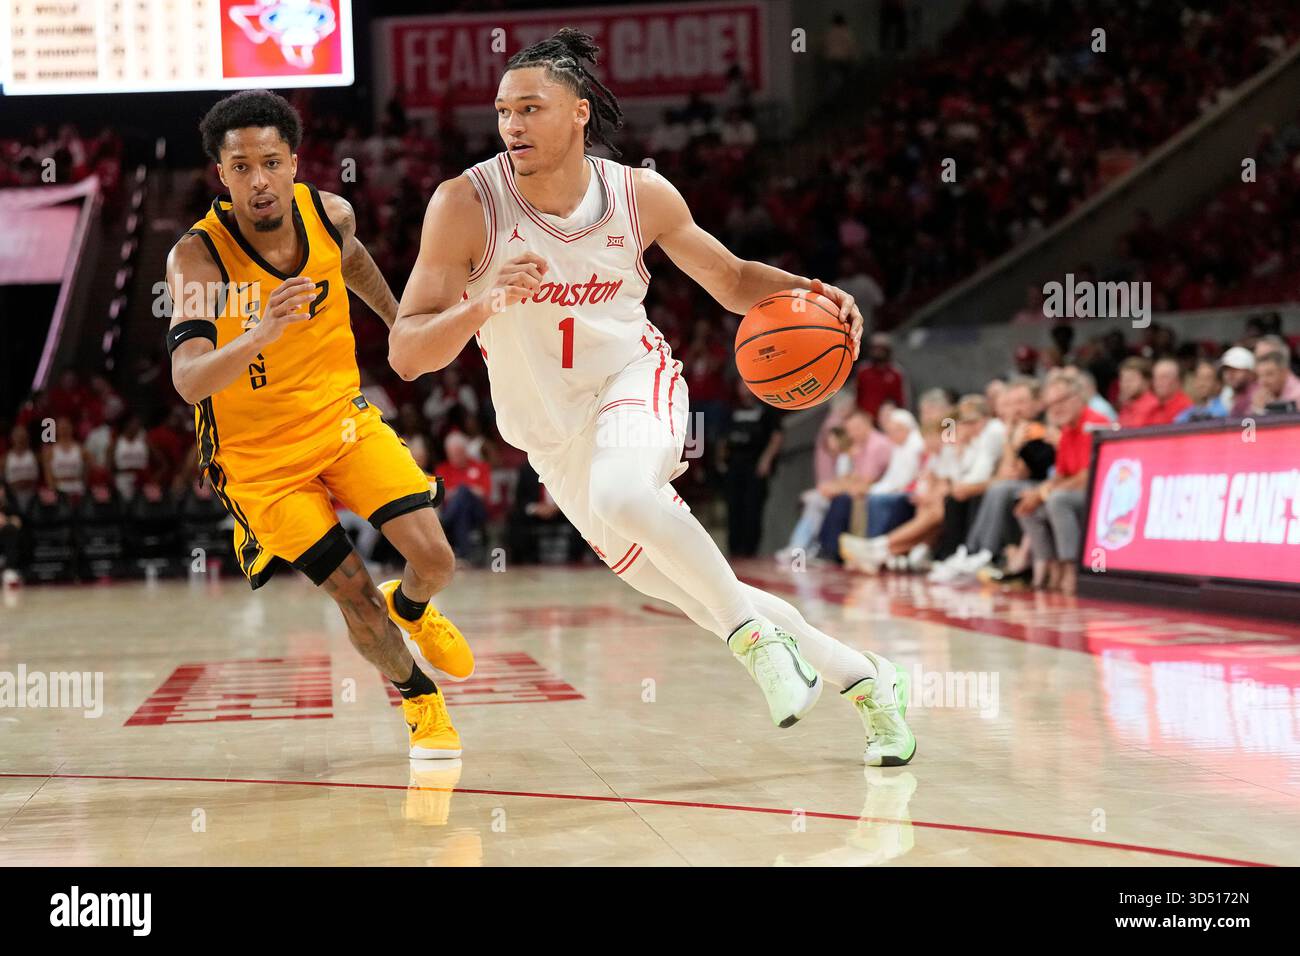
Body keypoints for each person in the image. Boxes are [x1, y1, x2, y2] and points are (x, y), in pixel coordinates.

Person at [388, 29, 914, 766]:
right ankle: (868, 683)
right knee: (698, 594)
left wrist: (809, 291)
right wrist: (481, 304)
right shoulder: (465, 204)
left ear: (578, 112)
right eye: (504, 111)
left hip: (633, 380)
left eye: (531, 109)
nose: (512, 125)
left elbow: (729, 281)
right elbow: (407, 353)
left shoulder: (640, 195)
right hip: (551, 436)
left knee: (628, 493)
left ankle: (758, 648)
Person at [164, 90, 470, 760]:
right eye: (240, 166)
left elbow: (351, 260)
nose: (258, 179)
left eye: (270, 162)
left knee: (436, 558)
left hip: (340, 421)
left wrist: (400, 326)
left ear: (294, 163)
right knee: (355, 596)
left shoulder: (331, 214)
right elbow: (188, 380)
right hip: (258, 463)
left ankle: (414, 607)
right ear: (222, 174)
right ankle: (420, 698)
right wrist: (260, 332)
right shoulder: (198, 260)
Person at [1015, 369, 1111, 594]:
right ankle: (1047, 566)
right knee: (1026, 505)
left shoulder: (1095, 424)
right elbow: (1061, 473)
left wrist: (1045, 493)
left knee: (1057, 500)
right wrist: (1038, 493)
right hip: (1074, 491)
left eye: (1061, 401)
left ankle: (1071, 567)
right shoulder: (1067, 430)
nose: (1056, 408)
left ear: (1077, 398)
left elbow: (1090, 475)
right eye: (1050, 404)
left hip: (1099, 494)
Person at [720, 378, 783, 557]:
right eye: (742, 384)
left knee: (752, 509)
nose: (745, 389)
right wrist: (722, 459)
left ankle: (749, 551)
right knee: (733, 507)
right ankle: (734, 551)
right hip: (734, 465)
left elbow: (776, 436)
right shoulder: (732, 409)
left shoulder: (767, 408)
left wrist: (766, 460)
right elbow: (724, 437)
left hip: (755, 465)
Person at [434, 431, 492, 559]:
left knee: (463, 493)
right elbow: (441, 496)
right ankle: (465, 554)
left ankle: (445, 524)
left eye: (458, 452)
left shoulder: (480, 466)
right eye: (452, 453)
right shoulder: (442, 469)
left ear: (465, 450)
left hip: (477, 511)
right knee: (462, 508)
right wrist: (467, 489)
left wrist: (463, 490)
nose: (456, 456)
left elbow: (484, 493)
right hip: (458, 511)